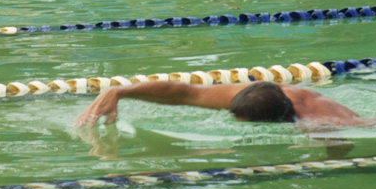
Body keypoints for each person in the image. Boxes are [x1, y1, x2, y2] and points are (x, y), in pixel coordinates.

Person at [74, 79, 360, 129]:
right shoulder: (251, 94)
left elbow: (340, 150)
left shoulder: (321, 122)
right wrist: (120, 92)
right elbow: (184, 92)